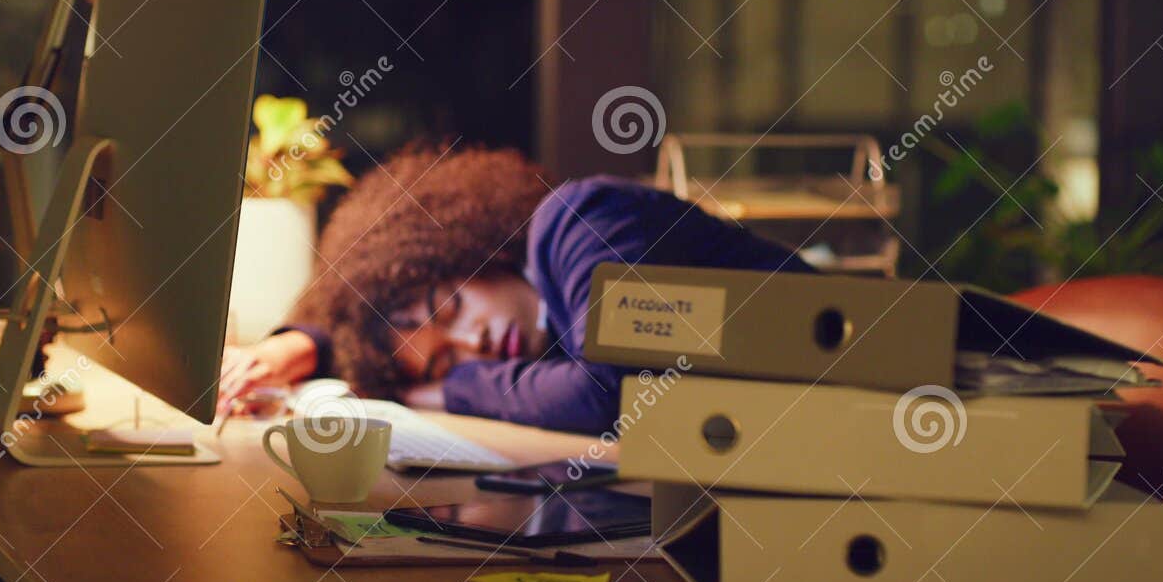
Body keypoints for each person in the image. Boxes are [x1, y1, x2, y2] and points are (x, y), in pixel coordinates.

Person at [218, 145, 811, 434]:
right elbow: (369, 320)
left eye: (449, 306)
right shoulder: (547, 334)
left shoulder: (580, 221)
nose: (476, 342)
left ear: (465, 248)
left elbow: (610, 394)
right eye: (446, 360)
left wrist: (448, 388)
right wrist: (300, 345)